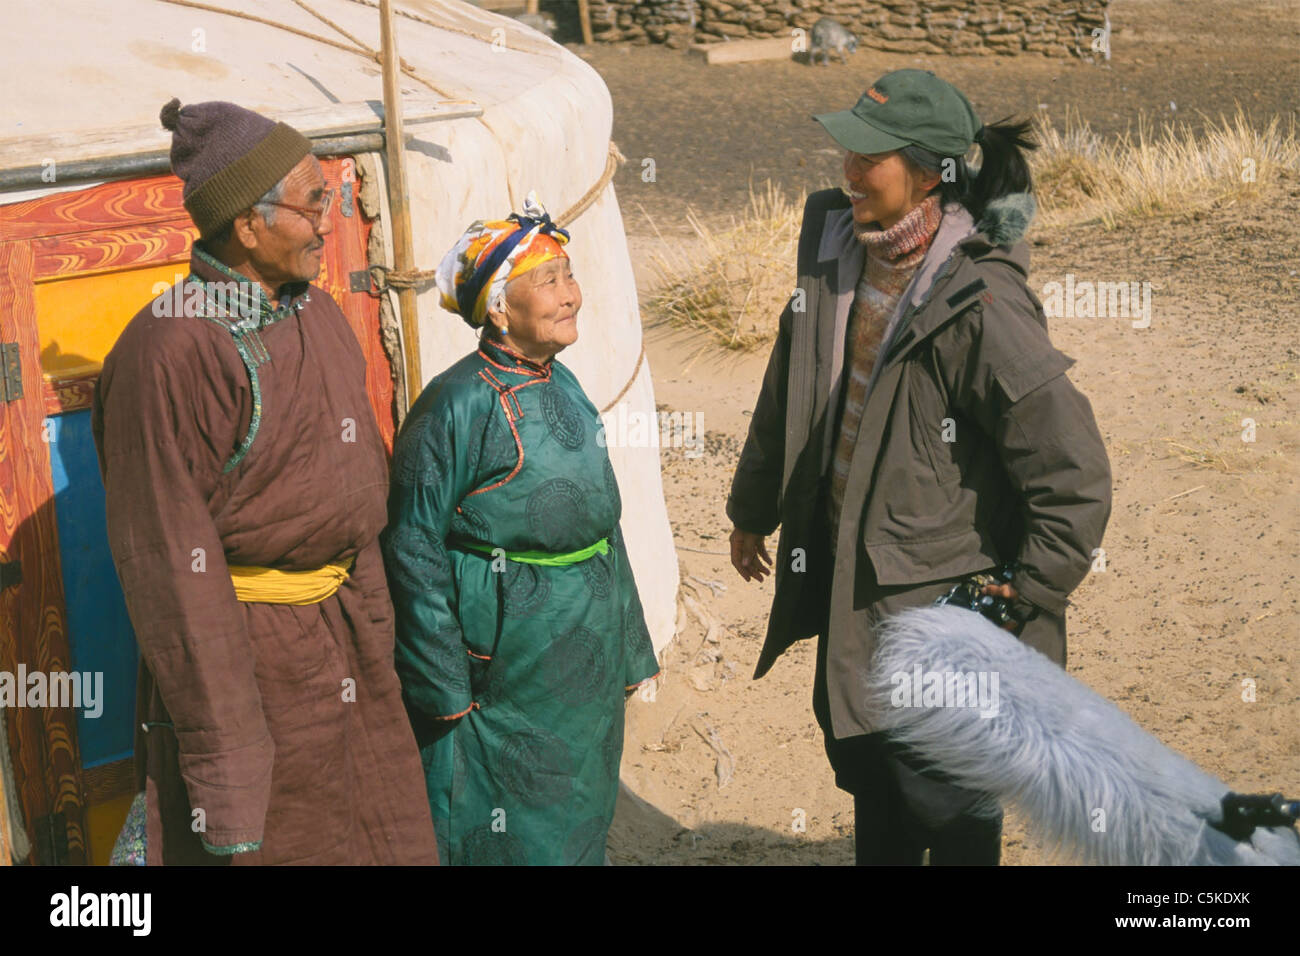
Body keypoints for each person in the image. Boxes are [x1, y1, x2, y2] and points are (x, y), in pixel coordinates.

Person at [726, 70, 1112, 865]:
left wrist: (1018, 594)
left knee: (949, 799)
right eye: (847, 149)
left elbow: (1073, 477)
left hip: (943, 603)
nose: (848, 170)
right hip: (853, 577)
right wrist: (752, 506)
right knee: (873, 769)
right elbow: (786, 387)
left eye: (871, 157)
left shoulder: (981, 307)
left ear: (931, 173)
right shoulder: (838, 254)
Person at [94, 99, 437, 864]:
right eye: (315, 201)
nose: (328, 221)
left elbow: (359, 509)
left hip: (346, 639)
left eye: (333, 198)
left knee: (380, 833)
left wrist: (378, 644)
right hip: (256, 664)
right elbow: (170, 573)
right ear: (246, 226)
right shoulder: (168, 353)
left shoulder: (317, 313)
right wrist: (226, 756)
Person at [383, 193, 660, 865]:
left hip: (583, 650)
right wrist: (443, 678)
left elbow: (605, 524)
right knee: (498, 822)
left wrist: (630, 645)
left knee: (579, 806)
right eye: (549, 280)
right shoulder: (457, 403)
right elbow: (411, 542)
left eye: (569, 275)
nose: (572, 295)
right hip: (507, 662)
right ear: (499, 308)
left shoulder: (564, 384)